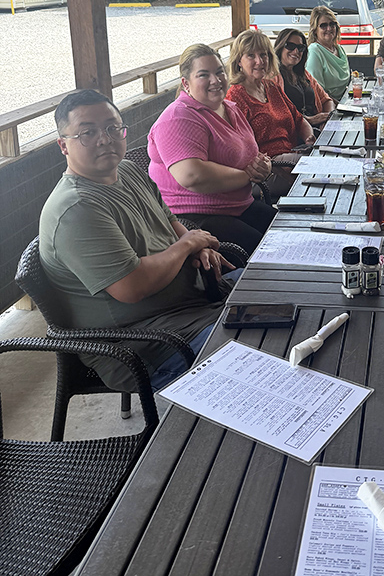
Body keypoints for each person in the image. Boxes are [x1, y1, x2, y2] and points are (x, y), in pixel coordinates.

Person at [39, 90, 237, 393]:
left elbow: (169, 220)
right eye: (87, 133)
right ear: (63, 145)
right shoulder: (77, 208)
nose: (104, 139)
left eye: (111, 127)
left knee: (284, 294)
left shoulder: (128, 170)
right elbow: (132, 287)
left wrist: (198, 247)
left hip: (196, 299)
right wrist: (187, 245)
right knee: (264, 347)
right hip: (149, 344)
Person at [147, 44, 276, 255]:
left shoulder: (230, 108)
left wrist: (264, 166)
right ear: (185, 83)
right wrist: (247, 176)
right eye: (203, 75)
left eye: (219, 72)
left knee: (291, 233)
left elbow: (250, 154)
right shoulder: (179, 117)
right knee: (270, 254)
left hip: (239, 205)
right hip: (196, 217)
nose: (215, 80)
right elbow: (192, 175)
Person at [226, 29, 315, 198]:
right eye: (251, 56)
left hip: (291, 155)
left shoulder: (271, 87)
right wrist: (278, 167)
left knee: (326, 158)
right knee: (321, 165)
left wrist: (310, 138)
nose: (259, 61)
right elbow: (239, 151)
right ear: (239, 61)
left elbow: (298, 119)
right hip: (267, 171)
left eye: (264, 55)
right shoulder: (235, 97)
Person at [273, 28, 335, 129]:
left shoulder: (304, 74)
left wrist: (327, 118)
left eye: (300, 47)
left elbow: (327, 100)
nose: (296, 51)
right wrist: (310, 120)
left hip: (317, 127)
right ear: (280, 47)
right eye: (290, 46)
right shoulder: (272, 78)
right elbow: (278, 113)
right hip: (295, 131)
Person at [305, 6, 351, 102]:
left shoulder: (339, 49)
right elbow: (318, 91)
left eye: (332, 24)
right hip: (327, 106)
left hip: (344, 101)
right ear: (315, 30)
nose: (329, 28)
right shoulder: (314, 51)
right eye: (323, 25)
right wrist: (340, 106)